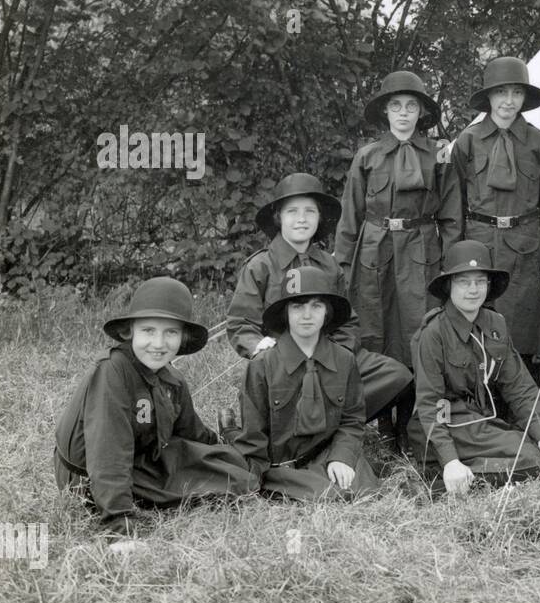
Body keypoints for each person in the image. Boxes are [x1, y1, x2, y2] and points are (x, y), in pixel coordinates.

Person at [54, 277, 257, 536]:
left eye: (170, 332)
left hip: (142, 457)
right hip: (91, 478)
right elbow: (108, 454)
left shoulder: (172, 378)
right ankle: (129, 503)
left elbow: (193, 434)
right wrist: (119, 525)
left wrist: (225, 453)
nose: (159, 344)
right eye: (148, 330)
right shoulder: (112, 371)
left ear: (182, 338)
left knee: (238, 471)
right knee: (229, 484)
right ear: (130, 332)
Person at [226, 172, 414, 445]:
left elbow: (347, 321)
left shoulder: (328, 264)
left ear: (319, 217)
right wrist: (258, 346)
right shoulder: (260, 266)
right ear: (279, 217)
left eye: (309, 211)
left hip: (328, 355)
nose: (301, 219)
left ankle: (335, 425)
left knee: (398, 375)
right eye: (292, 211)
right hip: (284, 362)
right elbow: (240, 323)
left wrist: (338, 357)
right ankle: (298, 434)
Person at [407, 240, 540, 497]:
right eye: (464, 281)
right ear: (449, 285)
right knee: (533, 462)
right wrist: (449, 458)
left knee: (539, 452)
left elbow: (519, 385)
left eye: (480, 281)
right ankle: (440, 479)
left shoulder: (495, 324)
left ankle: (459, 475)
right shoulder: (433, 333)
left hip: (480, 423)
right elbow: (429, 403)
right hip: (443, 427)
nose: (473, 290)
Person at [335, 70, 459, 371]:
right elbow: (350, 215)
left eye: (411, 106)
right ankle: (383, 411)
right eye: (396, 105)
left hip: (421, 250)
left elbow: (452, 215)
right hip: (375, 252)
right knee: (376, 324)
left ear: (422, 112)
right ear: (384, 111)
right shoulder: (367, 157)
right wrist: (343, 264)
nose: (403, 113)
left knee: (422, 326)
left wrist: (450, 264)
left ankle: (419, 409)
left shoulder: (438, 155)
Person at [235, 267, 380, 501]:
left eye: (316, 306)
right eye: (298, 306)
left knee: (364, 491)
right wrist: (253, 481)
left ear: (327, 313)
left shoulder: (344, 360)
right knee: (327, 497)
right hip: (283, 465)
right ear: (285, 313)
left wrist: (342, 456)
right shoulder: (263, 365)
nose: (307, 315)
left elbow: (352, 419)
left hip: (327, 453)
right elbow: (253, 434)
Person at [444, 56, 540, 358]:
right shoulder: (468, 141)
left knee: (520, 333)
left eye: (516, 93)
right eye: (501, 92)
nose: (509, 101)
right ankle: (479, 402)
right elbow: (457, 202)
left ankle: (515, 403)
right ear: (488, 96)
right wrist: (457, 254)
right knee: (477, 328)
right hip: (481, 243)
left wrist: (529, 236)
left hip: (524, 246)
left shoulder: (538, 141)